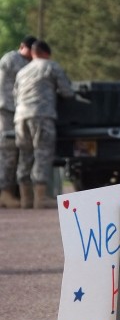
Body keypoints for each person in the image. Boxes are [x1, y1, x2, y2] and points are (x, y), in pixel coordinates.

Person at [13, 39, 75, 209]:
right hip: (41, 115)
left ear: (33, 53)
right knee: (42, 153)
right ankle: (40, 199)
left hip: (20, 117)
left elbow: (15, 94)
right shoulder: (50, 66)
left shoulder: (22, 71)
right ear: (47, 53)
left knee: (25, 155)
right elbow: (67, 92)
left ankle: (26, 199)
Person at [0, 34, 36, 208]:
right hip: (7, 110)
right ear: (23, 47)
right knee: (8, 152)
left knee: (18, 152)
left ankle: (12, 192)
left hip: (17, 111)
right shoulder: (13, 59)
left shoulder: (26, 61)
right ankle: (5, 193)